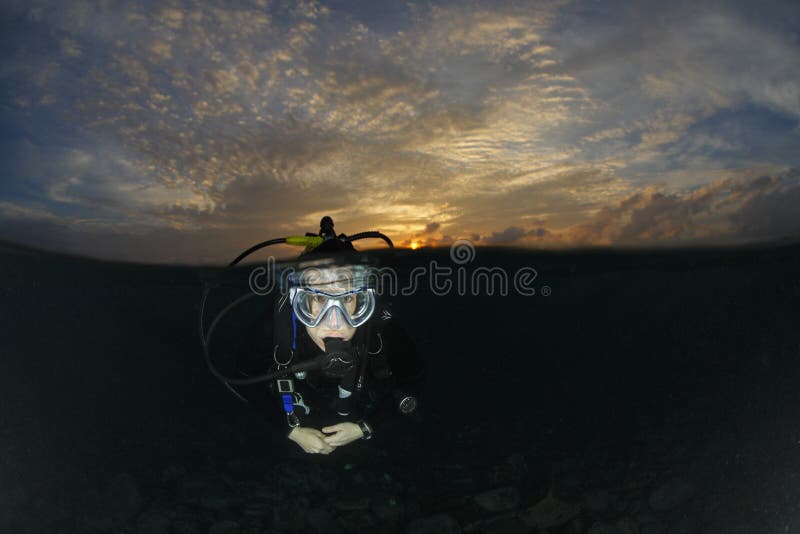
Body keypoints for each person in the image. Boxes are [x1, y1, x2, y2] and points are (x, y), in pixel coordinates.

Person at [231, 235, 424, 456]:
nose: (335, 322)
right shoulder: (278, 324)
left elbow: (414, 379)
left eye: (348, 299)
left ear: (362, 301)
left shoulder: (379, 326)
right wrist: (290, 431)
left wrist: (366, 427)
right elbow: (244, 379)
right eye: (320, 300)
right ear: (299, 301)